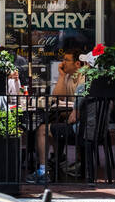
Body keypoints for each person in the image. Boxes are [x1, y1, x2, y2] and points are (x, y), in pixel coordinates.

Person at [32, 51, 85, 181]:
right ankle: (58, 158)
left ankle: (43, 170)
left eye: (66, 60)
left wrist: (74, 110)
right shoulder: (67, 76)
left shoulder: (84, 79)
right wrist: (61, 76)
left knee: (42, 130)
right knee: (53, 122)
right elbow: (57, 97)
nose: (62, 63)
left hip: (80, 125)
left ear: (77, 64)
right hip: (73, 120)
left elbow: (79, 105)